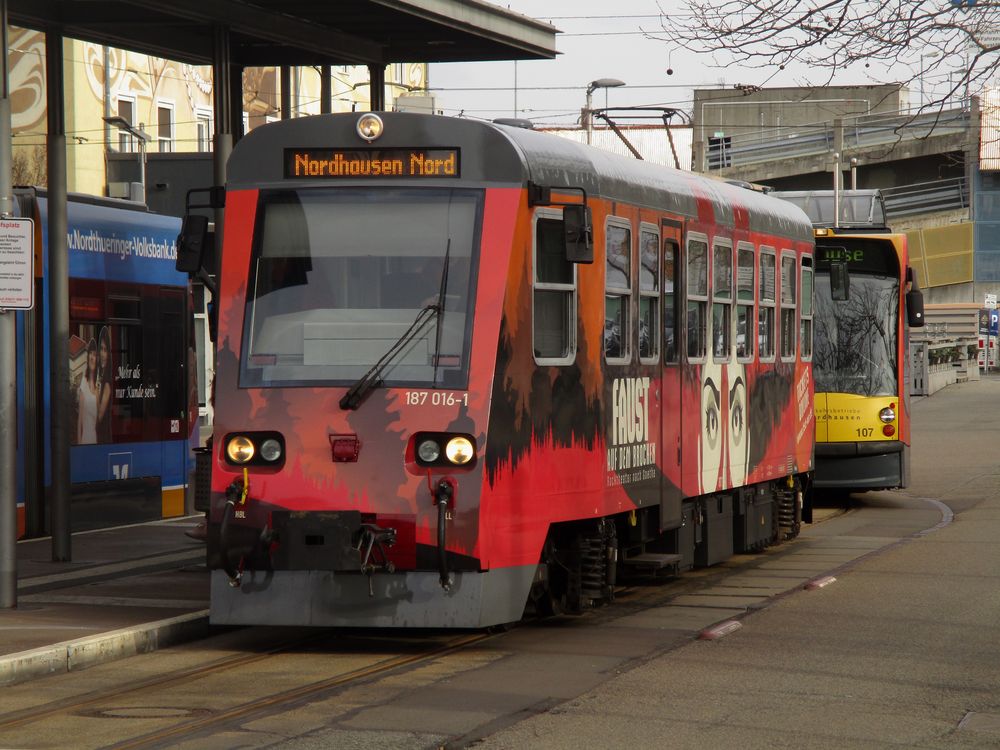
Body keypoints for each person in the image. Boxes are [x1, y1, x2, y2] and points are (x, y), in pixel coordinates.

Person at [76, 338, 98, 445]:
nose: (93, 358)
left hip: (97, 442)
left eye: (95, 355)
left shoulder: (99, 387)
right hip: (85, 441)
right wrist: (80, 445)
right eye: (91, 354)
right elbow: (79, 421)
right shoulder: (83, 384)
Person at [96, 326, 113, 443]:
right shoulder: (98, 376)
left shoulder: (106, 384)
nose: (102, 354)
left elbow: (99, 417)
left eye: (105, 350)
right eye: (100, 349)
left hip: (102, 437)